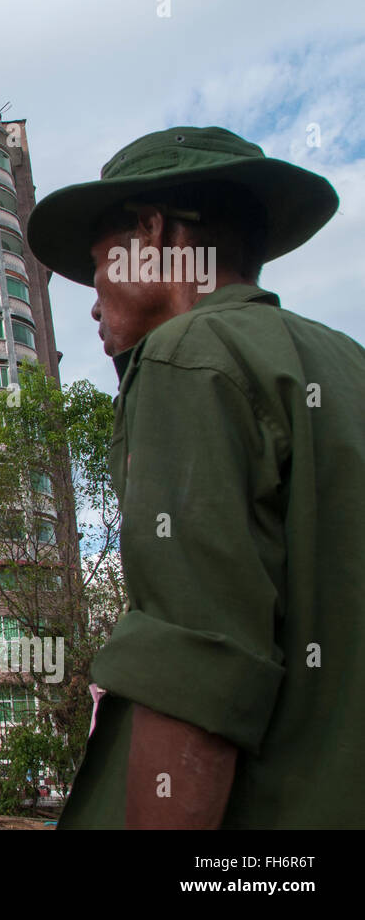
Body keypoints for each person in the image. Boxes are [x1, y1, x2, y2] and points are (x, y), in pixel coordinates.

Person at [26, 125, 363, 828]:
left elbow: (197, 675)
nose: (92, 300)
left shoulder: (186, 356)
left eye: (98, 266)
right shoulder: (344, 360)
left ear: (152, 232)